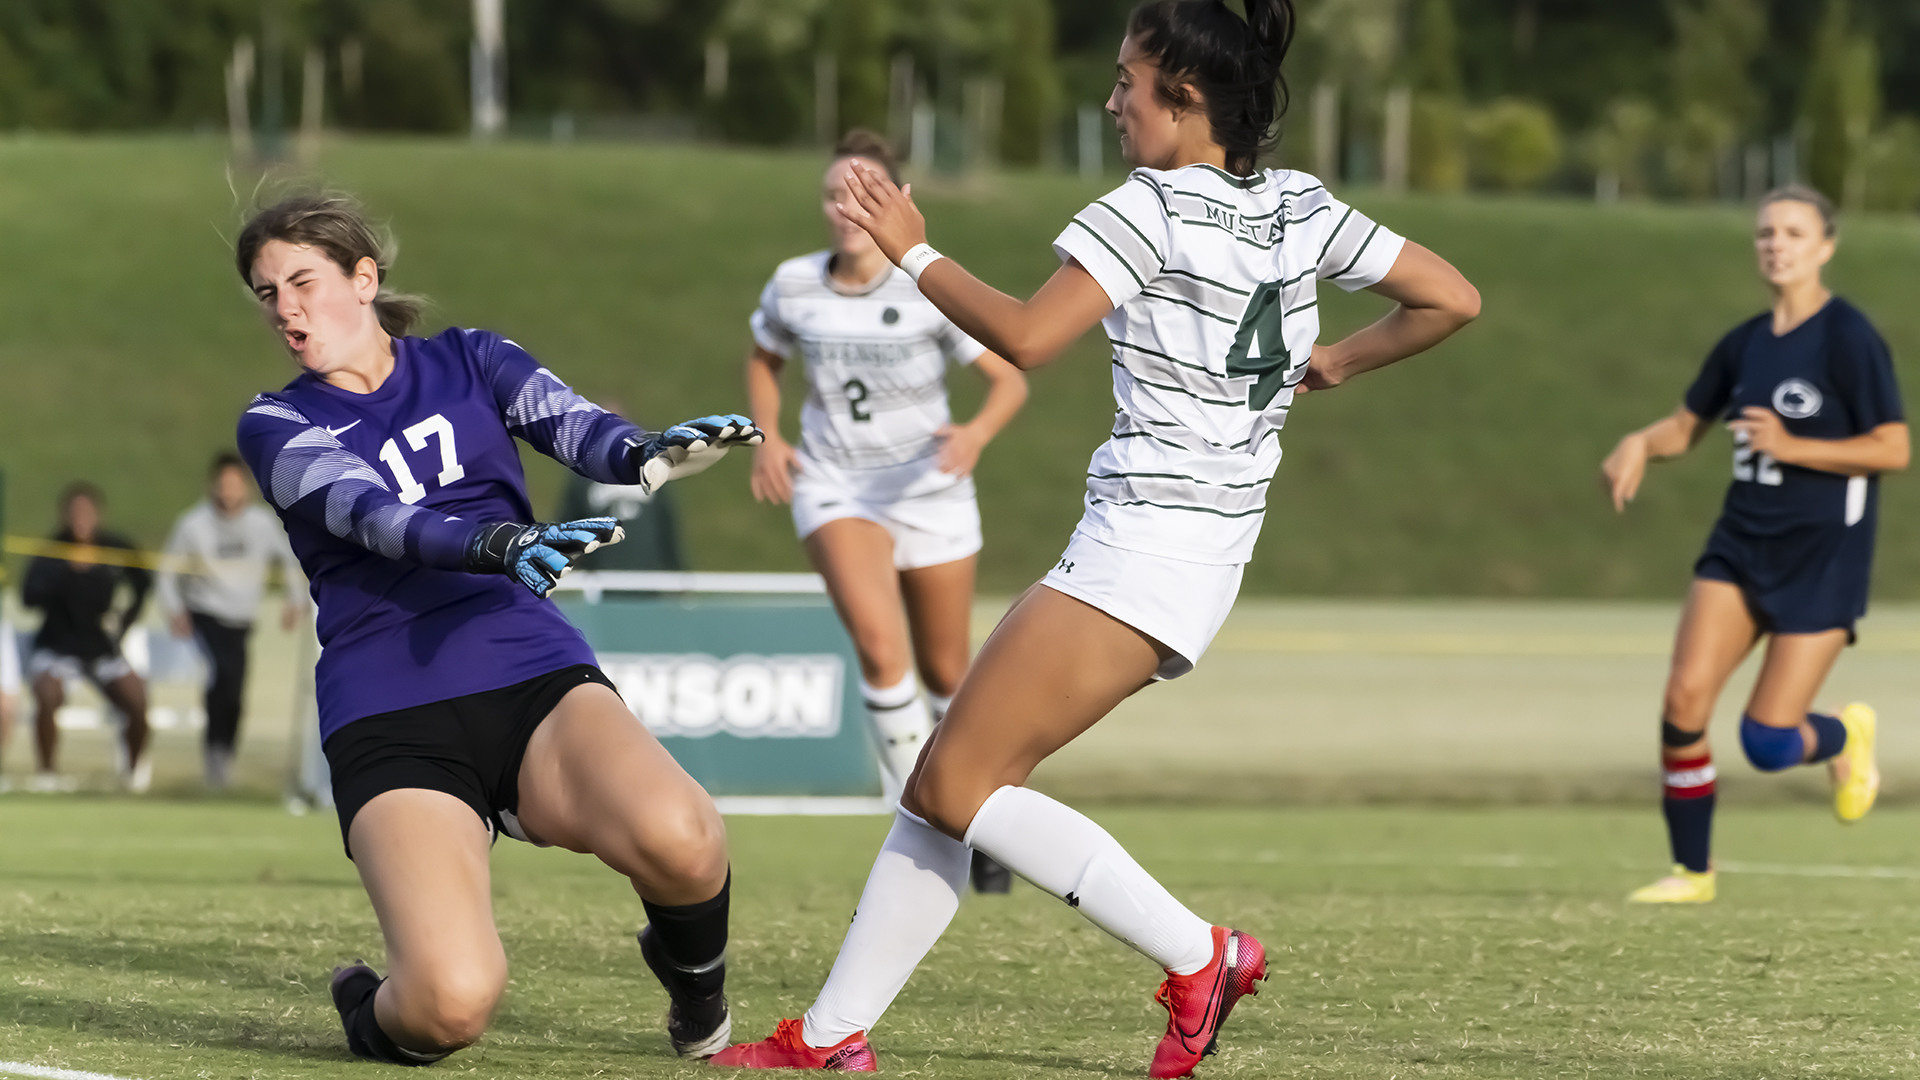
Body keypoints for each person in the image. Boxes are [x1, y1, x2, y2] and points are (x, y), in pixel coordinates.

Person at [714, 1, 1479, 1073]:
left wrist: (917, 253)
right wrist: (1341, 361)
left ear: (1188, 97)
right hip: (1197, 548)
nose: (1112, 100)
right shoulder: (1303, 206)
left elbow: (1027, 337)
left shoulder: (1152, 207)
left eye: (1129, 81)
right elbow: (1452, 298)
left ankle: (1199, 954)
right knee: (952, 781)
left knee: (949, 787)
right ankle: (831, 1040)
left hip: (1146, 542)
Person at [230, 193, 763, 1064]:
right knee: (449, 1004)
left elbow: (576, 425)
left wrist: (647, 454)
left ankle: (693, 986)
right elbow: (371, 516)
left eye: (302, 281)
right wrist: (497, 541)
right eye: (267, 293)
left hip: (526, 670)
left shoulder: (472, 359)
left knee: (686, 839)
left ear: (364, 279)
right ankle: (368, 1012)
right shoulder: (276, 422)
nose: (286, 309)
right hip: (390, 713)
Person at [1600, 185, 1906, 905]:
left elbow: (1893, 448)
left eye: (1795, 233)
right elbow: (1687, 426)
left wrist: (1793, 445)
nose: (1777, 244)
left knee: (1768, 743)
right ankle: (1692, 873)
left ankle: (1844, 735)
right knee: (1683, 702)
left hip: (1823, 557)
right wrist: (1641, 443)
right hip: (1741, 545)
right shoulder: (1744, 344)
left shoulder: (1849, 337)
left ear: (1825, 247)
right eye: (1767, 233)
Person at [745, 128, 1028, 892]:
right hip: (837, 485)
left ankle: (987, 820)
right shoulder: (794, 283)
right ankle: (932, 825)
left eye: (864, 192)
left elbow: (1010, 379)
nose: (846, 207)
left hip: (929, 490)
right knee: (878, 646)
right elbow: (764, 359)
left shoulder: (926, 286)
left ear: (899, 202)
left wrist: (973, 434)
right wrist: (768, 437)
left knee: (949, 674)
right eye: (835, 193)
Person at [156, 451, 308, 789]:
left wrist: (295, 600)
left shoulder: (261, 524)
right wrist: (175, 609)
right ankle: (214, 756)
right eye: (222, 484)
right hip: (206, 613)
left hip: (242, 620)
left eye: (234, 485)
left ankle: (223, 753)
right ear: (213, 486)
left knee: (235, 691)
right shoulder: (192, 524)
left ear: (245, 488)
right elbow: (166, 573)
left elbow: (289, 561)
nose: (228, 491)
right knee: (222, 675)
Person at [21, 483, 153, 793]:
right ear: (65, 516)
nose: (81, 518)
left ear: (98, 515)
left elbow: (144, 581)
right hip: (58, 647)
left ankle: (132, 776)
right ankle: (47, 774)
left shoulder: (114, 548)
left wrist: (128, 617)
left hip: (101, 648)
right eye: (75, 512)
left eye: (87, 512)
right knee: (48, 693)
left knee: (136, 699)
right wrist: (66, 572)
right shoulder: (53, 552)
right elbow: (29, 597)